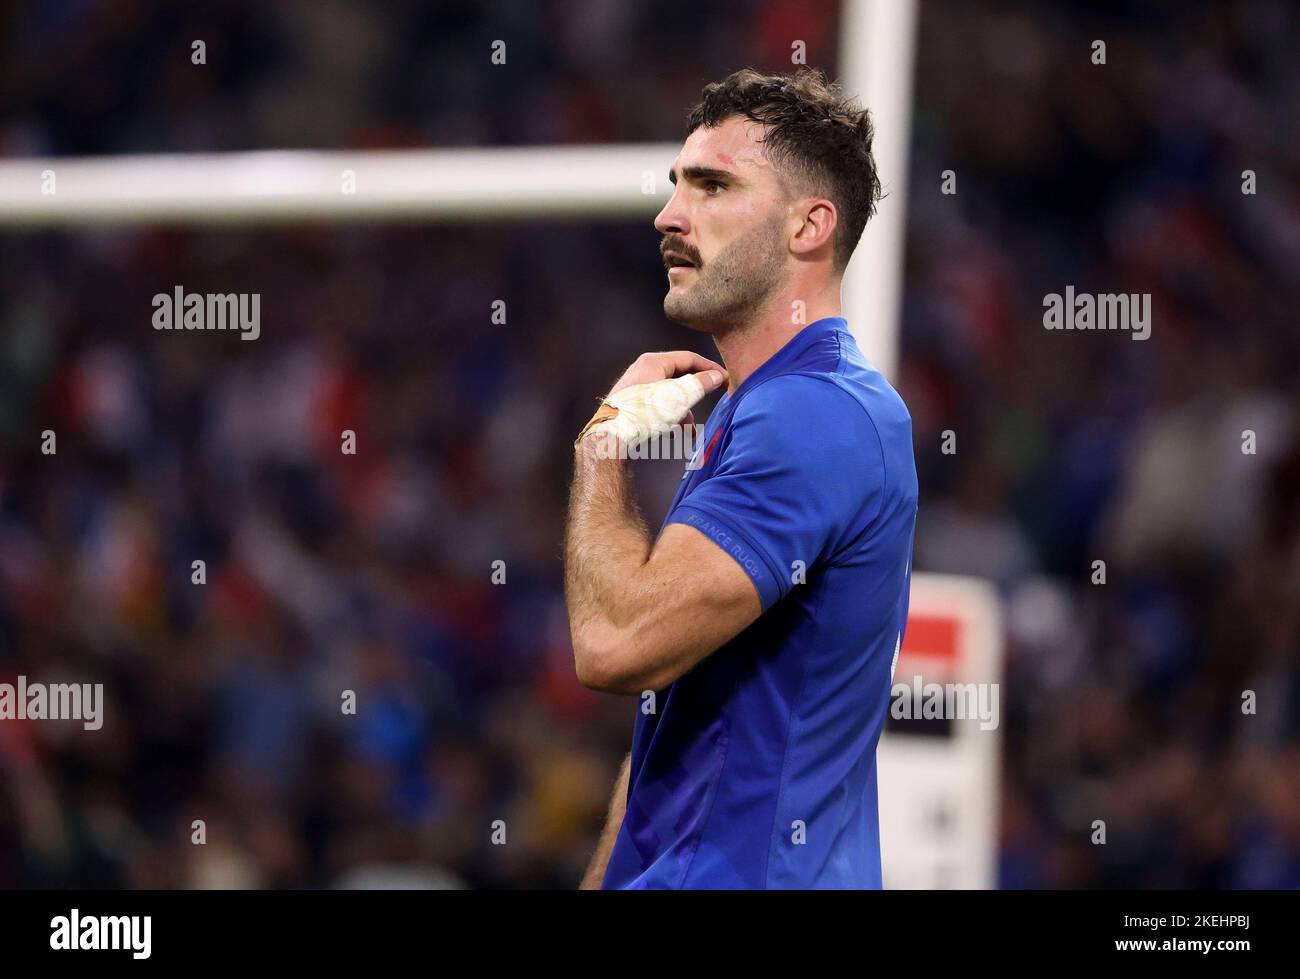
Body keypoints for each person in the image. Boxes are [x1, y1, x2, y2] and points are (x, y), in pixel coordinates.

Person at [564, 67, 918, 889]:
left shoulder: (813, 414)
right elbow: (675, 694)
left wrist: (601, 450)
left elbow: (618, 646)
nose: (669, 215)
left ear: (809, 226)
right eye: (675, 185)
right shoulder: (753, 407)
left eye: (712, 185)